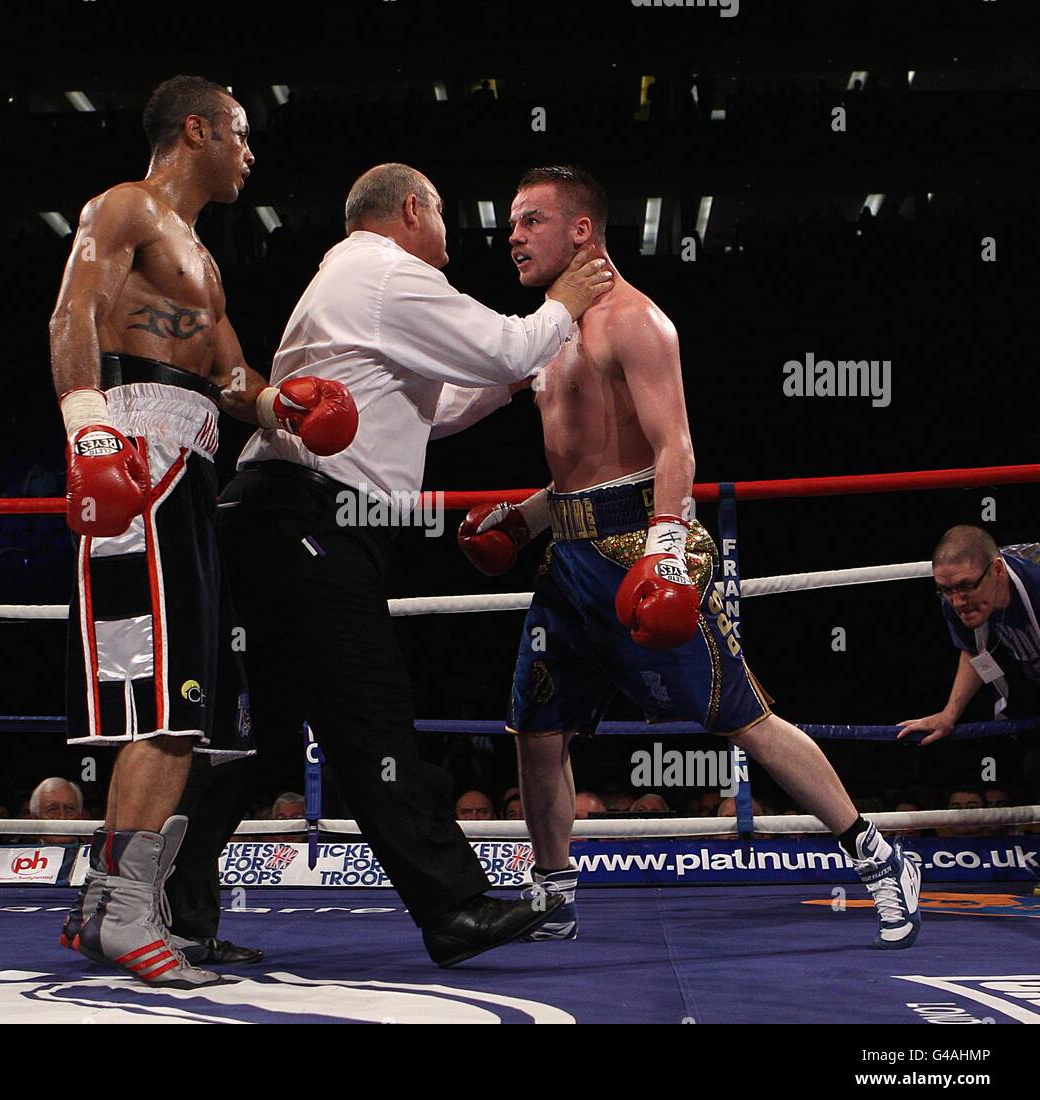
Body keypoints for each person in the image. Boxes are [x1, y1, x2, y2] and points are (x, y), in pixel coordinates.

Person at [458, 165, 921, 949]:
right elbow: (578, 469)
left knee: (745, 718)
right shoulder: (547, 329)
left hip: (637, 545)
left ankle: (878, 855)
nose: (513, 235)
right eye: (511, 222)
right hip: (566, 558)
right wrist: (526, 518)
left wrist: (668, 549)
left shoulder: (636, 320)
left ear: (582, 231)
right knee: (536, 728)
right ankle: (555, 893)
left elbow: (675, 445)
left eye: (531, 219)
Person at [210, 162, 612, 968]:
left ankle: (164, 905)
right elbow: (504, 344)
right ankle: (455, 906)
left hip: (280, 515)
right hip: (309, 521)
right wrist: (567, 303)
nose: (453, 250)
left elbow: (420, 415)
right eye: (442, 222)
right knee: (374, 714)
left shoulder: (351, 278)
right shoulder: (390, 271)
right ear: (411, 210)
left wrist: (510, 386)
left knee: (258, 737)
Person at [46, 74, 357, 988]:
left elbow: (230, 376)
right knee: (164, 707)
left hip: (196, 461)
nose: (251, 154)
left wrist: (284, 406)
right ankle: (126, 913)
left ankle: (108, 905)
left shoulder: (205, 262)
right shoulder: (126, 207)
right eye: (242, 135)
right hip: (136, 447)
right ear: (198, 131)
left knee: (192, 708)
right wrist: (84, 419)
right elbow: (71, 314)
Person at [898, 527, 1040, 743]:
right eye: (947, 589)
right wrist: (948, 715)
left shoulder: (1035, 583)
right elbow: (974, 652)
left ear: (998, 571)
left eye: (966, 586)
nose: (958, 602)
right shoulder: (954, 601)